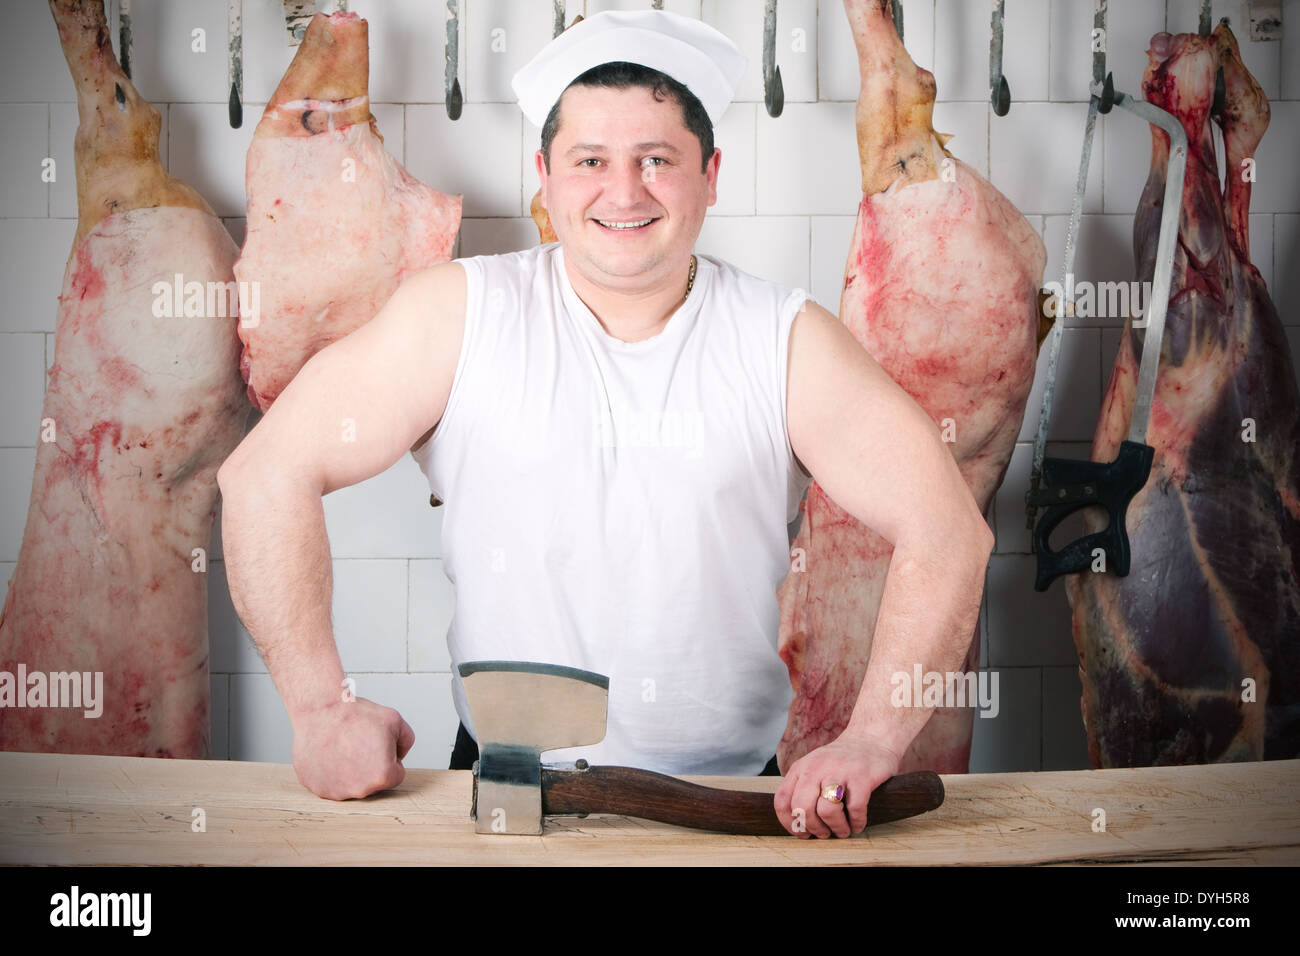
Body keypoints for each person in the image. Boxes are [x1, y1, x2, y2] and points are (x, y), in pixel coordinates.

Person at [217, 10, 992, 839]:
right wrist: (316, 710)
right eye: (591, 161)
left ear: (712, 174)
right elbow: (264, 474)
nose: (624, 192)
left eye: (657, 160)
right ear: (545, 176)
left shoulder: (784, 340)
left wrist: (873, 739)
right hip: (505, 800)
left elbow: (948, 532)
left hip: (734, 808)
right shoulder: (459, 316)